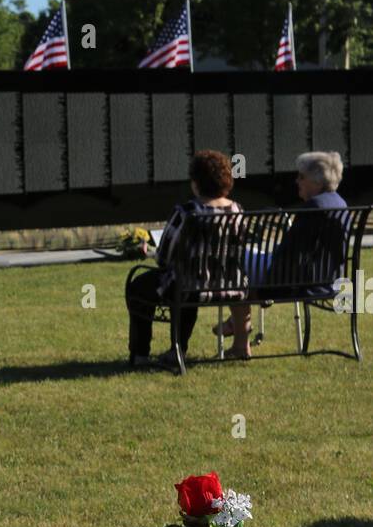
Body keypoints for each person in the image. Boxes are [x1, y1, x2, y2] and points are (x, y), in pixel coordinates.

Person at [221, 151, 348, 360]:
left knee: (234, 263)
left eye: (301, 177)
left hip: (294, 280)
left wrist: (267, 285)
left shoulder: (313, 208)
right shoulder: (339, 203)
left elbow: (288, 255)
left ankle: (240, 340)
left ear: (316, 181)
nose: (296, 181)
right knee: (247, 260)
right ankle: (236, 324)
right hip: (330, 279)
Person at [127, 150, 240, 369]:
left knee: (140, 287)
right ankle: (178, 349)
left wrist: (152, 253)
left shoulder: (186, 212)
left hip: (190, 286)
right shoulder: (236, 210)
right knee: (186, 282)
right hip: (227, 284)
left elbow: (164, 258)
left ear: (196, 183)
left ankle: (141, 354)